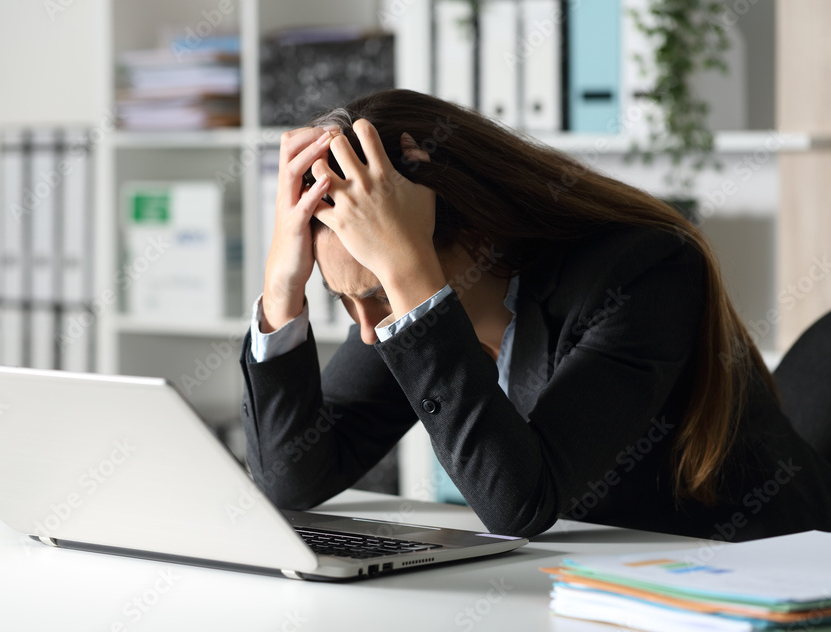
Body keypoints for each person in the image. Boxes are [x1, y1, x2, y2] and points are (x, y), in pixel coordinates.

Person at [238, 88, 831, 542]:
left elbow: (521, 506)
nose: (370, 330)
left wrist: (409, 281)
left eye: (382, 290)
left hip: (742, 577)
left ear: (471, 233)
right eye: (347, 300)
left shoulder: (643, 272)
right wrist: (281, 287)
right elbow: (291, 477)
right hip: (588, 590)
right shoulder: (394, 307)